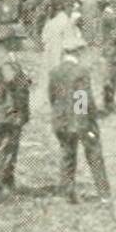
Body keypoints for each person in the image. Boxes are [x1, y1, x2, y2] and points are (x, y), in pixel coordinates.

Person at [48, 35, 112, 205]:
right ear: (78, 52)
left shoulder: (55, 71)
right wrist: (85, 124)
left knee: (67, 155)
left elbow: (52, 98)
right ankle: (104, 194)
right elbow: (81, 98)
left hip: (61, 121)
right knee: (94, 154)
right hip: (80, 121)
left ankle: (67, 192)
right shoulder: (80, 72)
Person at [0, 22, 32, 201]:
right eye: (17, 40)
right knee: (5, 148)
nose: (20, 44)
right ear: (9, 41)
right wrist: (25, 79)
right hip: (6, 110)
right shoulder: (5, 60)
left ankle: (2, 185)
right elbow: (11, 80)